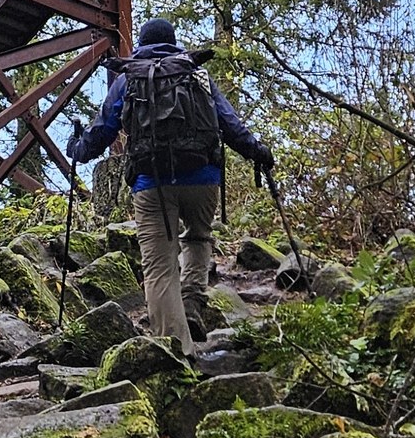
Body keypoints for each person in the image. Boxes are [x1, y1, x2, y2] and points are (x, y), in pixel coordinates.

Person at [66, 18, 273, 351]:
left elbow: (102, 131)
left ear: (141, 45)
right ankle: (192, 302)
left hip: (152, 183)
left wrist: (77, 148)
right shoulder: (195, 73)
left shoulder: (128, 78)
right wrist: (258, 152)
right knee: (198, 237)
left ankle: (178, 352)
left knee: (159, 266)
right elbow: (229, 124)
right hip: (202, 176)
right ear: (174, 42)